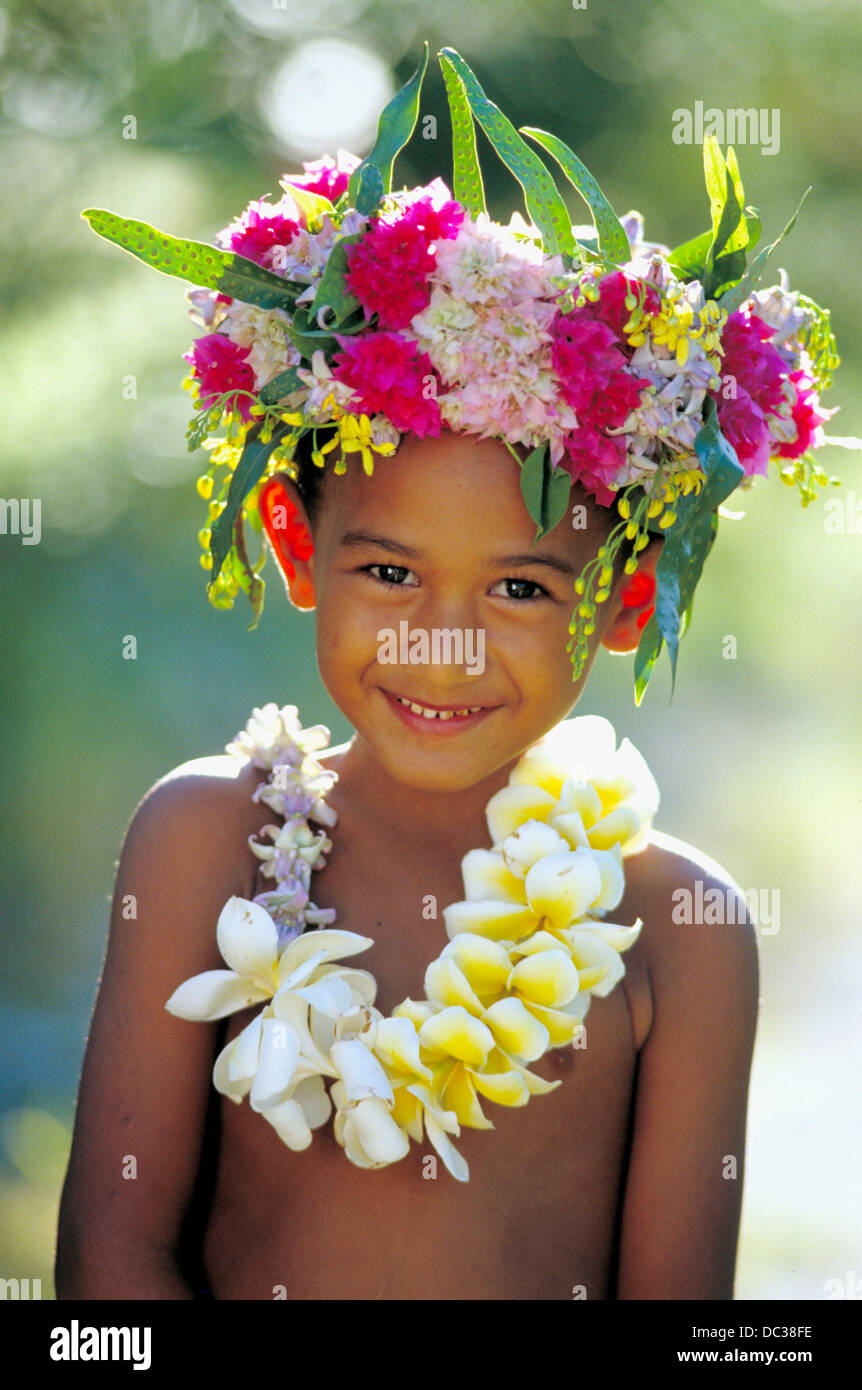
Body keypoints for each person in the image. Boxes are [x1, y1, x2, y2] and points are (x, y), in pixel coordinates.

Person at [56, 47, 845, 1300]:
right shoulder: (209, 837)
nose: (444, 640)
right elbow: (111, 1266)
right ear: (298, 549)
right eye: (389, 576)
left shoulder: (682, 934)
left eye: (521, 589)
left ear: (622, 602)